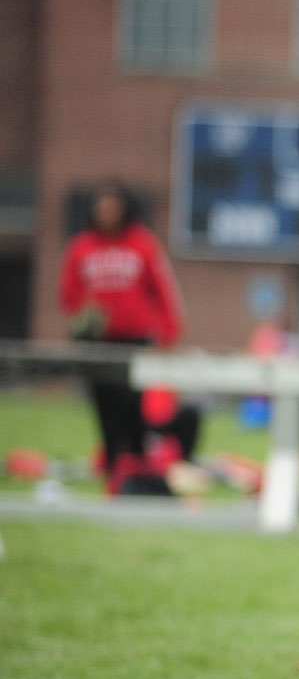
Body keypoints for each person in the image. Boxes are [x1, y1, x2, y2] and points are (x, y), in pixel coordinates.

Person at [57, 182, 185, 493]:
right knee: (104, 406)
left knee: (133, 406)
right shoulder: (81, 247)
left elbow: (162, 290)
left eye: (113, 208)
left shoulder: (142, 244)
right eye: (102, 209)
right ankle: (113, 469)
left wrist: (169, 333)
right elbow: (68, 294)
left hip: (135, 340)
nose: (107, 214)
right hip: (98, 341)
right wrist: (82, 315)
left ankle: (138, 468)